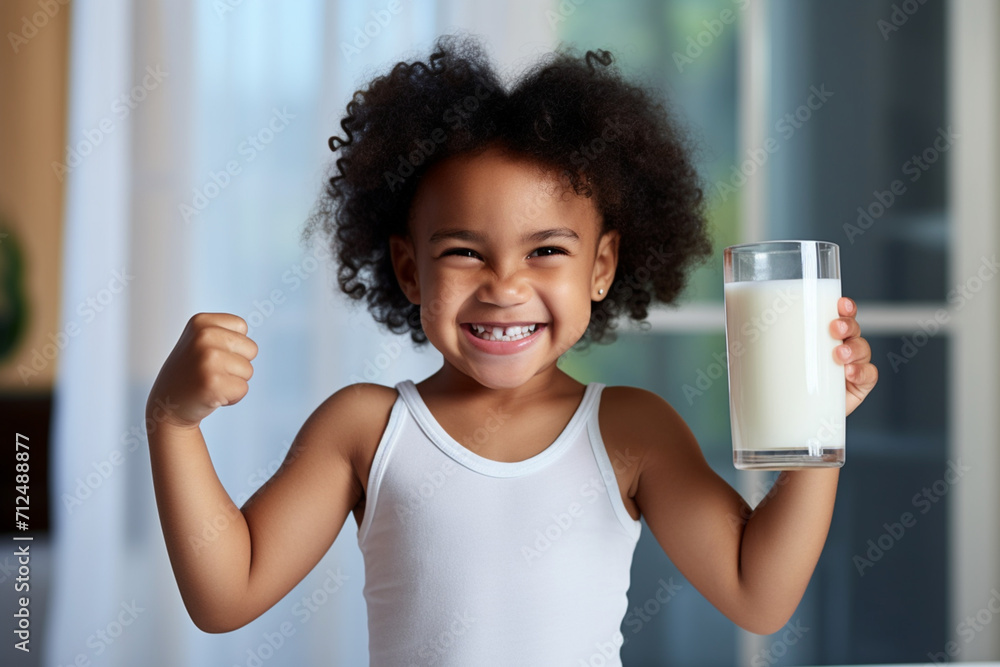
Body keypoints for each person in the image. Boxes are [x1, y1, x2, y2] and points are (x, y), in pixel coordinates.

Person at [146, 34, 878, 665]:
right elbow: (226, 591)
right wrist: (172, 421)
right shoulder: (364, 428)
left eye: (547, 250)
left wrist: (820, 429)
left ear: (601, 266)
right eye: (465, 251)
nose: (504, 285)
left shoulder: (630, 429)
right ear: (409, 268)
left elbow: (759, 592)